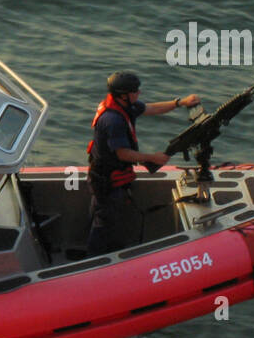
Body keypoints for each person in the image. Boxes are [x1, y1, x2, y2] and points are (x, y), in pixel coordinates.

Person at [86, 71, 200, 256]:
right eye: (135, 91)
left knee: (102, 217)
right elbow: (122, 153)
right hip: (107, 180)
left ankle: (102, 252)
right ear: (124, 95)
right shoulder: (113, 120)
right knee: (103, 223)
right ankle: (92, 263)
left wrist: (179, 102)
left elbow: (150, 108)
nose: (139, 93)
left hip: (106, 176)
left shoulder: (122, 106)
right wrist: (151, 158)